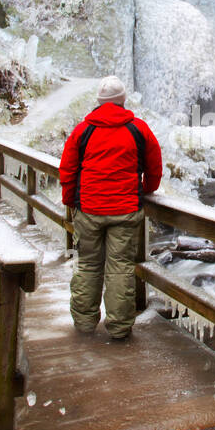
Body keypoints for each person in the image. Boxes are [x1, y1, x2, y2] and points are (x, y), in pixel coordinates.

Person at [59, 76, 163, 341]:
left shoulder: (84, 130)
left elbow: (68, 169)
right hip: (126, 210)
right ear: (123, 100)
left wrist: (70, 200)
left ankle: (84, 323)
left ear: (99, 102)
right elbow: (154, 165)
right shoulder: (138, 129)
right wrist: (148, 189)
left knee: (89, 265)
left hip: (89, 209)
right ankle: (118, 328)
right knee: (120, 268)